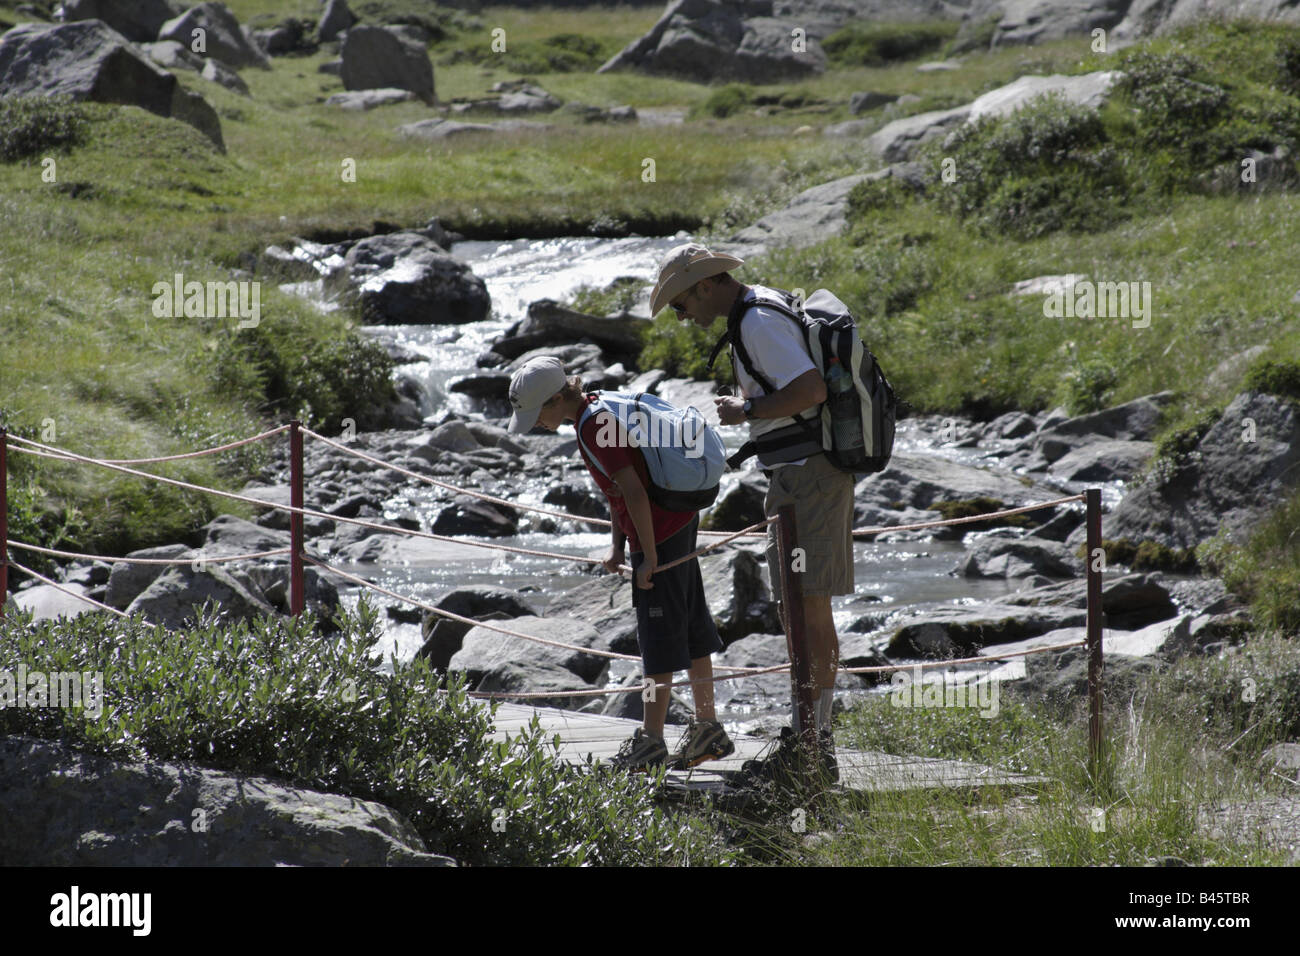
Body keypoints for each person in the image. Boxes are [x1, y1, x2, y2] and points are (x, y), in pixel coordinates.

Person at [648, 242, 854, 788]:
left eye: (680, 303)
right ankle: (811, 734)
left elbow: (809, 390)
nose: (682, 315)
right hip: (798, 473)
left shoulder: (757, 321)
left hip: (809, 475)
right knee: (803, 607)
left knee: (806, 608)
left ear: (704, 285)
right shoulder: (754, 313)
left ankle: (813, 742)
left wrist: (749, 410)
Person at [506, 355, 734, 772]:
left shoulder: (593, 427)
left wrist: (645, 555)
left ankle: (651, 743)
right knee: (693, 629)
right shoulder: (598, 405)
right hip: (676, 519)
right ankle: (708, 727)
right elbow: (620, 489)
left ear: (558, 397)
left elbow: (632, 491)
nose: (536, 423)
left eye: (538, 414)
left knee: (658, 645)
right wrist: (617, 547)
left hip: (659, 532)